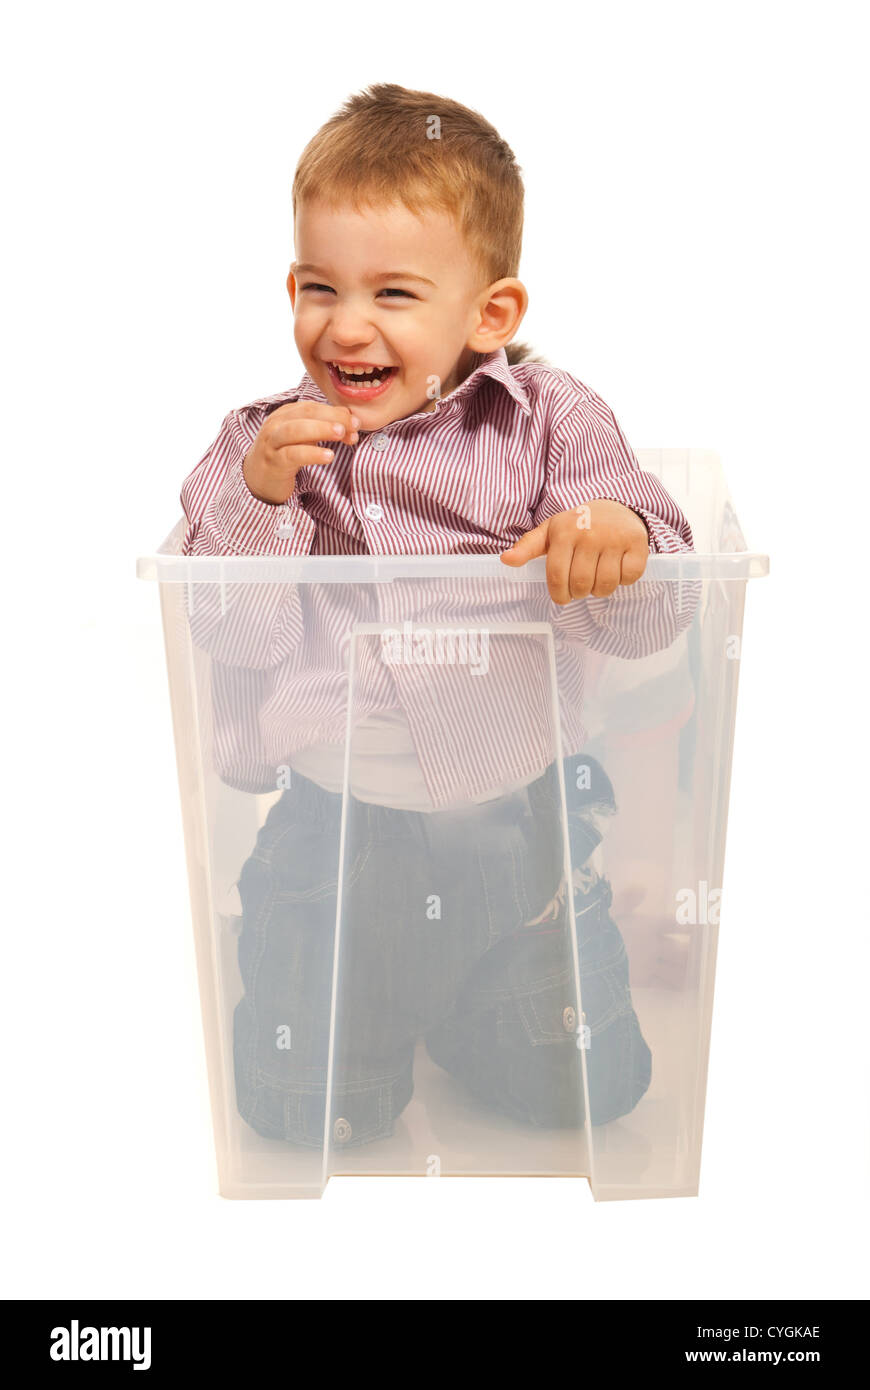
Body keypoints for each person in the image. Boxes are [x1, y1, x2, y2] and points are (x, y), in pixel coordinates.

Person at [179, 83, 695, 1152]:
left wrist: (616, 538)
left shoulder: (553, 421)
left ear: (489, 315)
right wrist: (262, 501)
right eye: (319, 286)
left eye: (394, 293)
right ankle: (350, 985)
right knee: (302, 1112)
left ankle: (463, 1003)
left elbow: (658, 621)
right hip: (337, 833)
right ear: (290, 287)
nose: (346, 324)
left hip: (522, 832)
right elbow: (228, 638)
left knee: (595, 1093)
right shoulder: (263, 447)